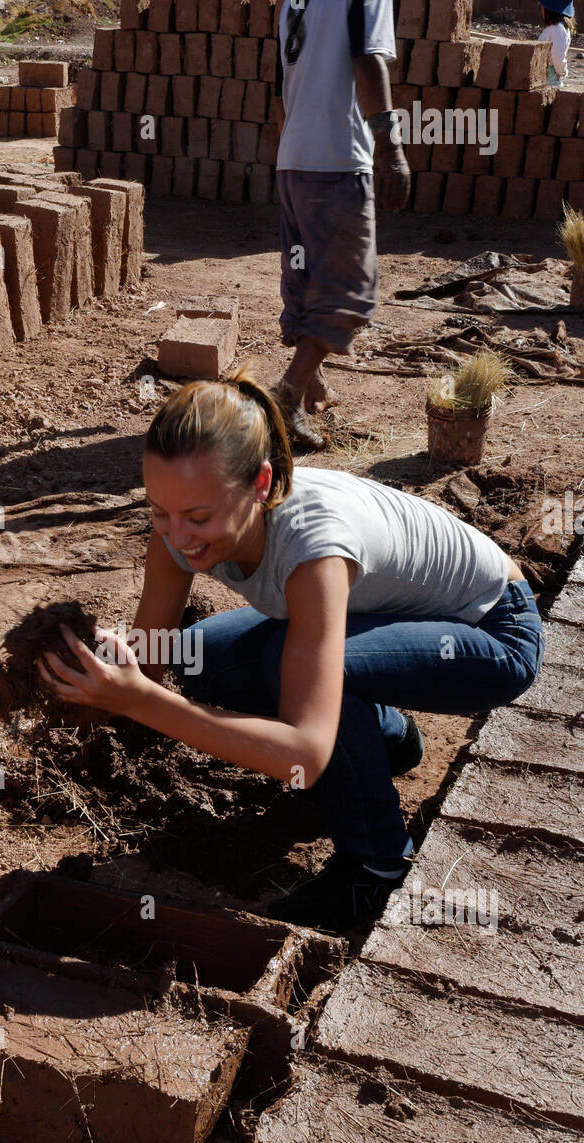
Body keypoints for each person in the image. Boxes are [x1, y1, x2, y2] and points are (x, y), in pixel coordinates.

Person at [37, 372, 545, 936]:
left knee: (291, 671)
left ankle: (377, 865)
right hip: (383, 618)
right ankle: (386, 741)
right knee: (200, 655)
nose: (178, 536)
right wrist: (105, 662)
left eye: (199, 518)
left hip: (491, 632)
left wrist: (138, 701)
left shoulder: (314, 550)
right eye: (160, 511)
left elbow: (300, 751)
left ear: (260, 482)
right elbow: (151, 659)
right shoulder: (181, 520)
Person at [272, 0, 411, 451]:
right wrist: (389, 147)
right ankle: (288, 396)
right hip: (336, 161)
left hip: (293, 160)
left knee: (307, 276)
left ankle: (313, 384)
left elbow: (281, 85)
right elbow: (368, 60)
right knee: (350, 287)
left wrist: (291, 154)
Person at [538, 3, 576, 86]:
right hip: (545, 74)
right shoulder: (554, 28)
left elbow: (558, 57)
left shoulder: (558, 29)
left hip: (550, 78)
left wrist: (562, 72)